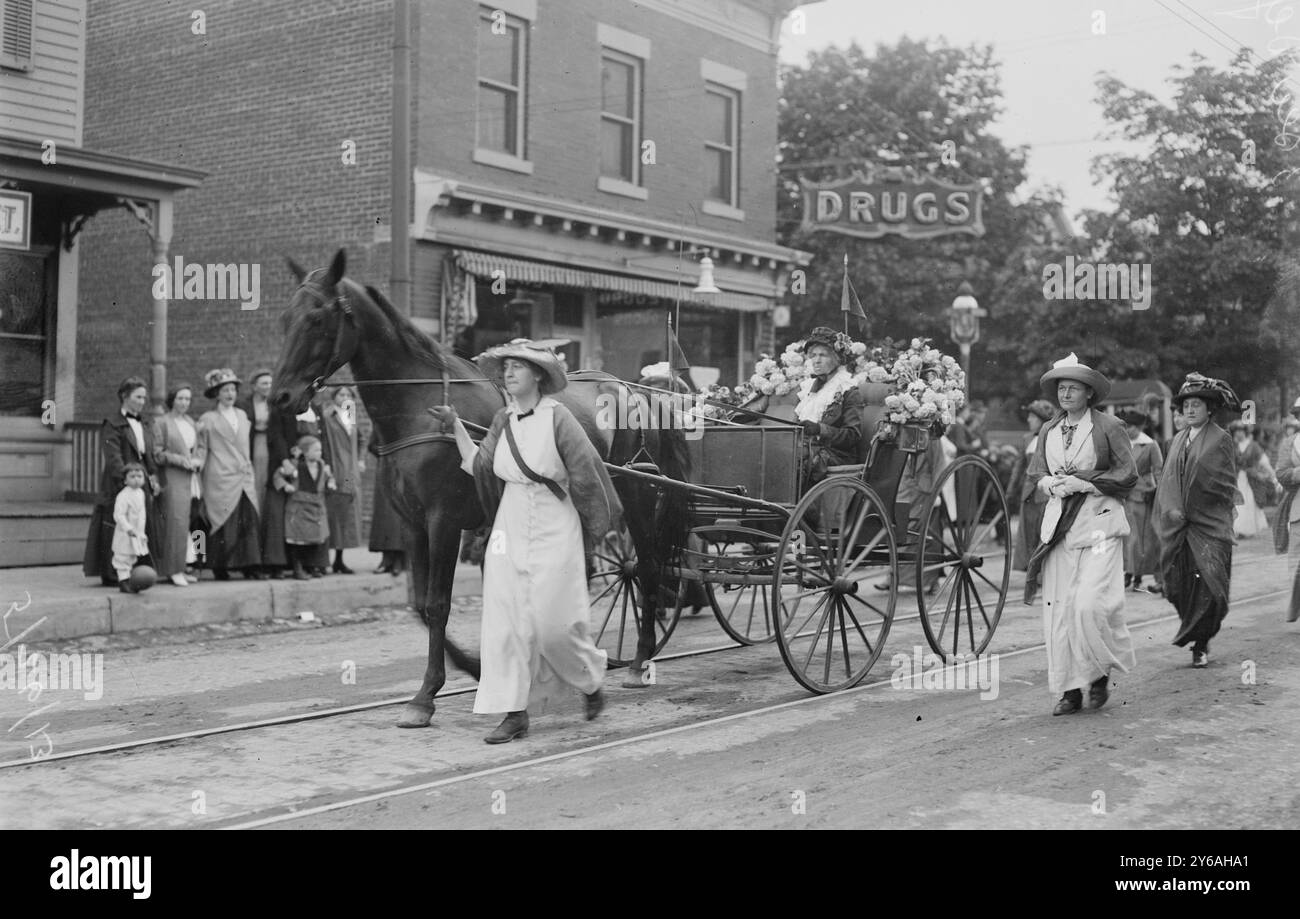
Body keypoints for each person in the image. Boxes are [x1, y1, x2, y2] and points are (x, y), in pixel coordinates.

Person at [429, 340, 622, 744]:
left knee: (554, 624)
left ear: (538, 375)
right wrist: (456, 427)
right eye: (507, 367)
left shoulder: (560, 419)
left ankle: (590, 681)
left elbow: (586, 475)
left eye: (520, 366)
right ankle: (514, 713)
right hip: (510, 523)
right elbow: (480, 466)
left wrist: (595, 527)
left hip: (556, 520)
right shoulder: (502, 419)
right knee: (505, 622)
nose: (510, 373)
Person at [1024, 354, 1138, 716]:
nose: (1066, 393)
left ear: (1089, 393)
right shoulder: (1049, 430)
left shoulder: (1108, 426)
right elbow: (1036, 472)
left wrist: (1085, 482)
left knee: (1089, 603)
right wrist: (1047, 483)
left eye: (1073, 387)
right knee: (1059, 612)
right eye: (1061, 387)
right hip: (1060, 529)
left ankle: (1100, 672)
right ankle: (1070, 689)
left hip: (1099, 525)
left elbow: (1127, 474)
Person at [1152, 373, 1241, 668]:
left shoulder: (1221, 439)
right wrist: (1173, 509)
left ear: (1209, 409)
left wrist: (1197, 505)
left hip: (1208, 524)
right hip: (1179, 526)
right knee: (1179, 585)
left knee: (1209, 587)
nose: (1189, 411)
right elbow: (1168, 480)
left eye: (1196, 406)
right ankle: (1193, 629)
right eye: (1186, 406)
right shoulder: (1177, 439)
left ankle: (1201, 643)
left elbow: (1224, 483)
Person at [83, 376, 164, 586]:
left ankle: (138, 570)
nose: (142, 401)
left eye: (144, 397)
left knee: (140, 525)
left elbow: (149, 455)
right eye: (137, 397)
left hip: (141, 481)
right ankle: (114, 574)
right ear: (124, 397)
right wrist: (127, 479)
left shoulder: (145, 422)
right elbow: (113, 456)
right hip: (119, 482)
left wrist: (152, 477)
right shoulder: (113, 423)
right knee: (119, 526)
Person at [196, 368, 263, 580]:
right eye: (225, 390)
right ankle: (220, 566)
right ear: (217, 393)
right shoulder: (208, 419)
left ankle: (249, 565)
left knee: (247, 519)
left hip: (243, 474)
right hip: (220, 476)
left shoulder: (242, 415)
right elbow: (201, 448)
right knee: (223, 520)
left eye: (233, 389)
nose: (230, 394)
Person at [793, 326, 864, 487]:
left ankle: (802, 510)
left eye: (822, 355)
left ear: (836, 359)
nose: (816, 360)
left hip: (836, 455)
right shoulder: (809, 390)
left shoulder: (848, 391)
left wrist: (820, 429)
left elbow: (853, 436)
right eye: (813, 355)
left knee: (794, 459)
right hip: (810, 450)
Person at [153, 382, 202, 586]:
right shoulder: (162, 422)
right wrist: (181, 461)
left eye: (187, 399)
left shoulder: (191, 421)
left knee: (185, 523)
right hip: (172, 477)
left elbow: (197, 448)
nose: (184, 403)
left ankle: (181, 566)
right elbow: (157, 453)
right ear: (172, 399)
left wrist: (197, 460)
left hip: (190, 477)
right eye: (180, 398)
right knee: (175, 522)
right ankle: (172, 569)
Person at [275, 435, 335, 580]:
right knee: (298, 541)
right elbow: (277, 476)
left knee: (315, 540)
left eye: (320, 450)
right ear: (305, 452)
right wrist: (285, 485)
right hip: (298, 507)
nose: (319, 453)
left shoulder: (322, 465)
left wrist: (331, 483)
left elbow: (331, 477)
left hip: (317, 507)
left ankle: (312, 566)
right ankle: (298, 568)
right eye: (315, 450)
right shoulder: (294, 465)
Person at [1118, 408, 1164, 593]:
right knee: (1128, 537)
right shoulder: (1121, 444)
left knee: (1141, 537)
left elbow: (1159, 470)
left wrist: (1161, 492)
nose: (1127, 430)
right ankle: (1130, 572)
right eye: (1125, 426)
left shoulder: (1150, 444)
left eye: (1131, 426)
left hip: (1143, 494)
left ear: (1139, 427)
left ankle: (1134, 574)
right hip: (1123, 495)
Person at [320, 385, 363, 574]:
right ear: (334, 397)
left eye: (348, 395)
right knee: (334, 514)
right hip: (336, 469)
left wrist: (360, 459)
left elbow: (360, 439)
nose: (345, 397)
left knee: (346, 515)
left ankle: (339, 558)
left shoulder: (350, 415)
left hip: (350, 471)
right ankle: (324, 560)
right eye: (341, 394)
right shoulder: (327, 416)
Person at [1012, 399, 1056, 572]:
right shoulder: (1026, 439)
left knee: (1043, 532)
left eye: (1033, 417)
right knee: (1028, 533)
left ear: (1042, 420)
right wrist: (1010, 491)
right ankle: (1031, 570)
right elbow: (1018, 467)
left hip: (1045, 492)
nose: (1029, 420)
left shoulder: (1052, 436)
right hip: (1028, 493)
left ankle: (1043, 572)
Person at [366, 431, 407, 575]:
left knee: (401, 517)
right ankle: (386, 558)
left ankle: (399, 560)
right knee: (385, 517)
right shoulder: (381, 423)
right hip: (386, 470)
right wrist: (386, 452)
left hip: (405, 472)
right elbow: (371, 445)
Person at [1228, 421, 1277, 538]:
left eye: (1241, 431)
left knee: (1249, 502)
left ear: (1245, 432)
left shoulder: (1253, 445)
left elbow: (1264, 462)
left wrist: (1273, 475)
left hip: (1251, 479)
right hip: (1236, 478)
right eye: (1236, 431)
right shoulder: (1232, 446)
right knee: (1236, 503)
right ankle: (1237, 529)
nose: (1239, 434)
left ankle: (1247, 530)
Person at [111, 462, 152, 593]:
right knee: (122, 557)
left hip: (137, 533)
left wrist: (142, 533)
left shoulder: (140, 493)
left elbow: (142, 515)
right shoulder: (123, 495)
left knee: (131, 557)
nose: (136, 480)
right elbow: (119, 515)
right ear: (125, 480)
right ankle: (123, 581)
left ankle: (129, 580)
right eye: (132, 476)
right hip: (125, 533)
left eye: (139, 476)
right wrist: (128, 528)